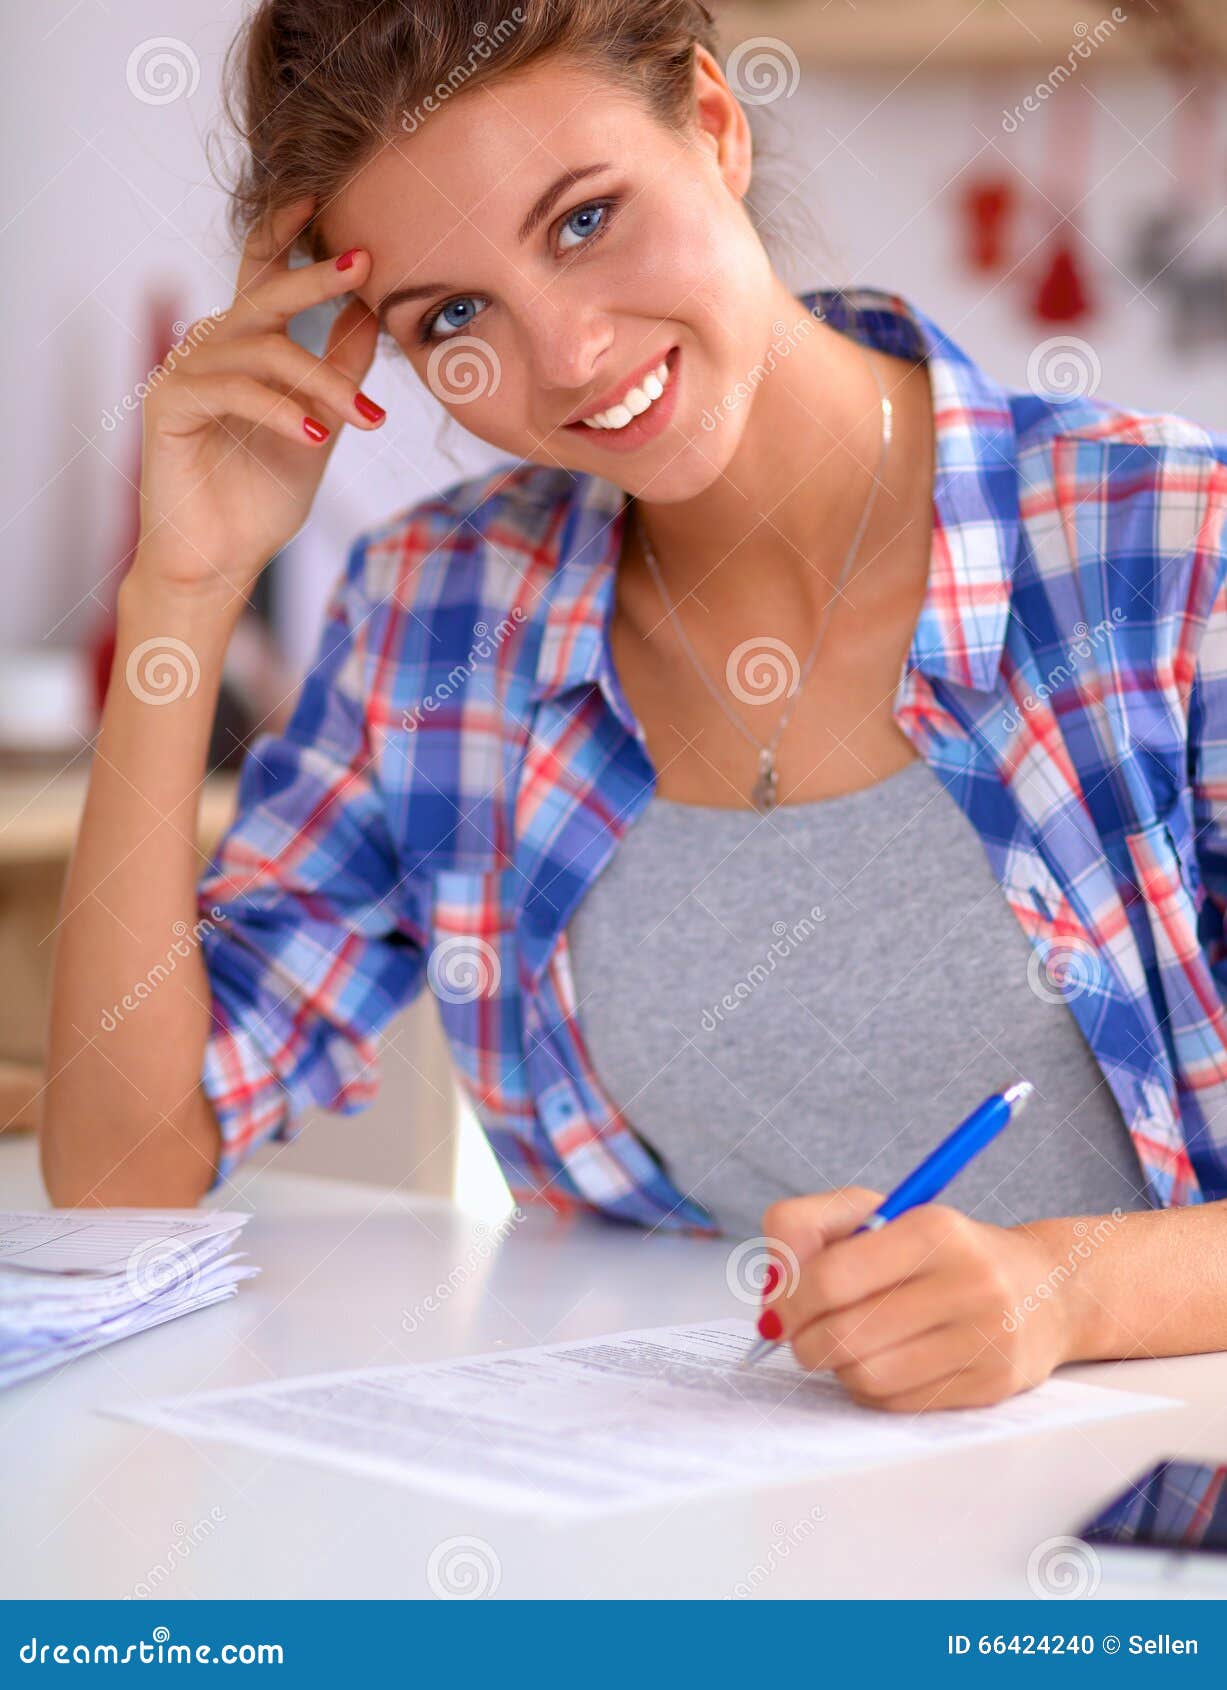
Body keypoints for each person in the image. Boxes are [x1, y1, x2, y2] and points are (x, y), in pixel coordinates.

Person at [43, 0, 1227, 1413]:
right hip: (691, 1492)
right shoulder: (439, 620)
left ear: (715, 125)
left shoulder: (1169, 548)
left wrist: (1066, 1289)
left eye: (585, 220)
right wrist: (183, 589)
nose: (567, 355)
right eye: (453, 315)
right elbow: (122, 1171)